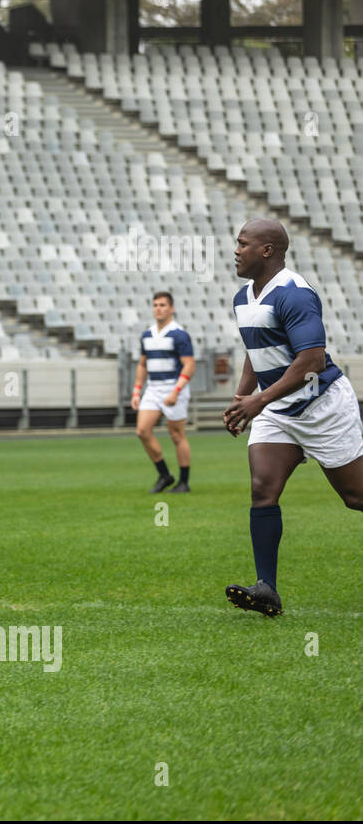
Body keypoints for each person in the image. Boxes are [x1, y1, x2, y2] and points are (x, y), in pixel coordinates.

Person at [222, 219, 363, 616]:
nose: (236, 250)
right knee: (262, 489)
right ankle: (267, 588)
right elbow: (257, 348)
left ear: (267, 251)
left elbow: (311, 361)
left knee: (355, 498)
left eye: (243, 243)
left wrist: (259, 400)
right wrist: (242, 397)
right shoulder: (242, 298)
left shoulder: (295, 294)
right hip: (277, 410)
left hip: (323, 408)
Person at [131, 291, 195, 492]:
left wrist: (176, 391)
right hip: (153, 388)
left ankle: (184, 482)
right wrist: (136, 390)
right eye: (155, 305)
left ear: (171, 308)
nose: (158, 308)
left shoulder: (179, 334)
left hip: (173, 388)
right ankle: (165, 475)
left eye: (162, 305)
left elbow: (189, 365)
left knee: (177, 435)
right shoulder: (147, 334)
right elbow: (142, 364)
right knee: (142, 431)